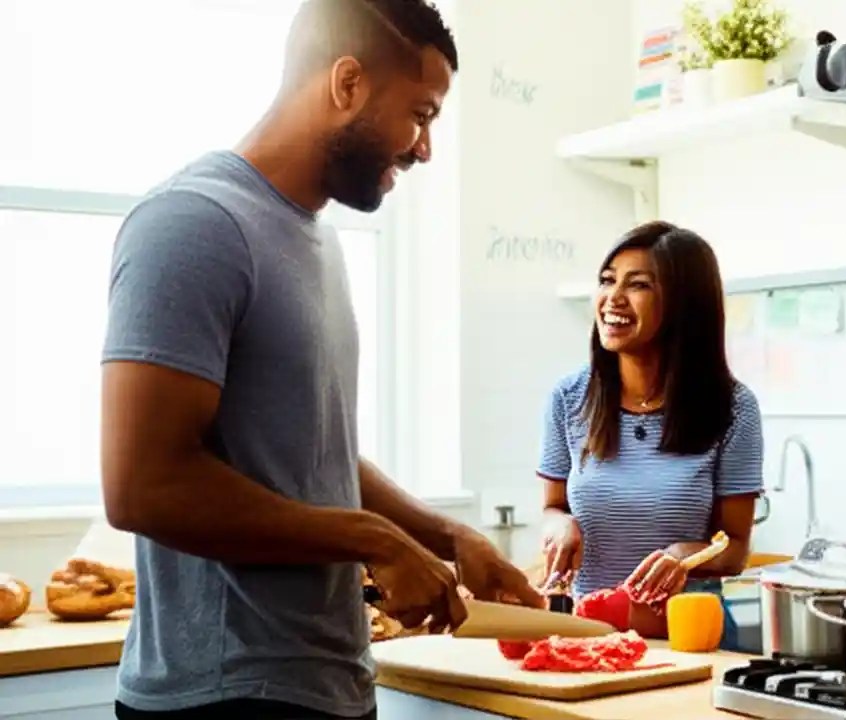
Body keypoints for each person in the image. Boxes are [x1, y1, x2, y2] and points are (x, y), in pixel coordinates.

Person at [99, 2, 541, 718]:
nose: (425, 148)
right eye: (421, 114)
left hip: (325, 686)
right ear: (347, 83)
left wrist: (448, 537)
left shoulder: (316, 242)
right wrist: (372, 540)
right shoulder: (192, 225)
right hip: (224, 695)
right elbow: (142, 485)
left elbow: (312, 456)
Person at [537, 221, 764, 638]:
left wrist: (683, 555)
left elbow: (734, 547)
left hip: (686, 638)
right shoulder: (569, 398)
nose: (613, 299)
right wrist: (560, 526)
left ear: (683, 304)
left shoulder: (733, 408)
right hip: (588, 634)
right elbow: (552, 507)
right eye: (608, 281)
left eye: (637, 285)